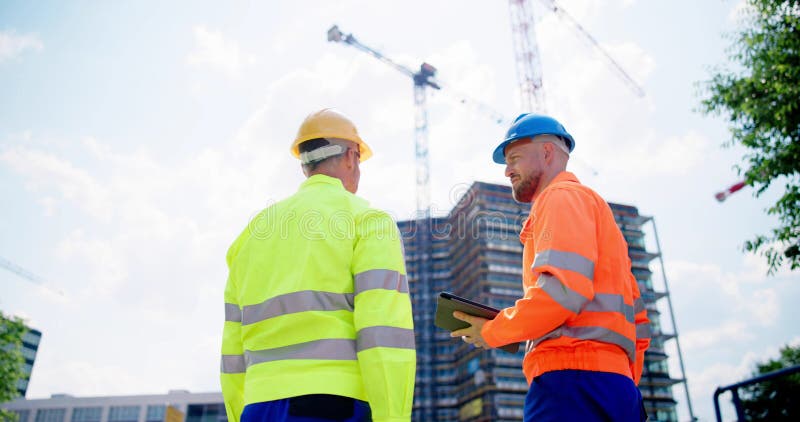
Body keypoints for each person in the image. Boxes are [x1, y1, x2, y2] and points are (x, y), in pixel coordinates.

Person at [220, 108, 416, 422]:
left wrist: (239, 412)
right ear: (352, 157)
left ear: (305, 166)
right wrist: (392, 417)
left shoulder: (252, 234)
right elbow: (383, 334)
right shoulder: (368, 221)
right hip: (334, 403)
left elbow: (232, 348)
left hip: (257, 406)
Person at [451, 113, 651, 421]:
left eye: (514, 158)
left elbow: (562, 293)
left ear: (547, 153)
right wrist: (619, 379)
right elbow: (639, 322)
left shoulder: (558, 197)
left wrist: (492, 330)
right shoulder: (599, 215)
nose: (507, 171)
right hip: (617, 388)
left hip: (570, 383)